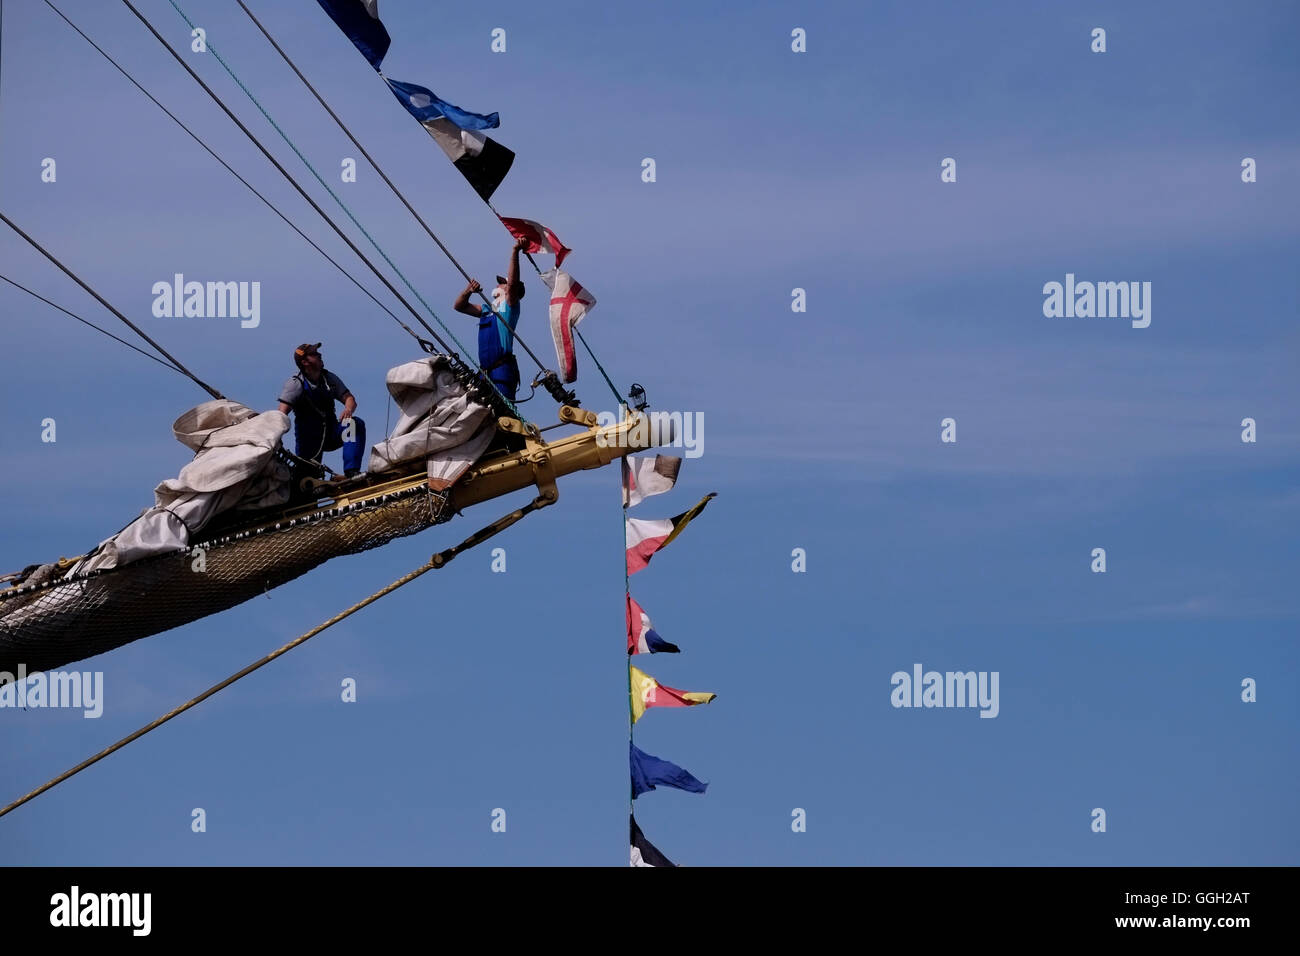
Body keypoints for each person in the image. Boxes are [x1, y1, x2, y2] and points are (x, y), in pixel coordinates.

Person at [277, 342, 367, 477]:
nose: (320, 355)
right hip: (309, 443)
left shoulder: (329, 378)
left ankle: (351, 471)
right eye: (314, 354)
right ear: (305, 362)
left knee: (354, 424)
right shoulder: (295, 384)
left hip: (332, 434)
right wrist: (276, 438)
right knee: (307, 482)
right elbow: (281, 415)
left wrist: (348, 409)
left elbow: (349, 398)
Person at [453, 238, 527, 401]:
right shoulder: (488, 310)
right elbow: (459, 306)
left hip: (502, 370)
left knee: (503, 411)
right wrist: (468, 292)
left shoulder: (510, 306)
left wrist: (515, 252)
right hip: (484, 373)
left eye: (502, 284)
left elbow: (513, 283)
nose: (498, 285)